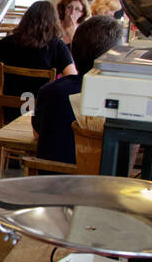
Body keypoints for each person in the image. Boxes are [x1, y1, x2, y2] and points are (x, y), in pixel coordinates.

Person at [33, 16, 125, 165]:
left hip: (49, 183)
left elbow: (37, 134)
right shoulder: (122, 99)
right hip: (100, 184)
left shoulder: (48, 91)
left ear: (72, 50)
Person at [0, 0, 76, 123]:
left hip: (9, 110)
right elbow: (72, 78)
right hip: (42, 112)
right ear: (53, 22)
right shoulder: (56, 46)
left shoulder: (8, 42)